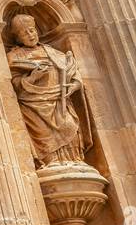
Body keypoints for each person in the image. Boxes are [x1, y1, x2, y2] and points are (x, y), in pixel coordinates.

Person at [6, 13, 88, 166]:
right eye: (25, 33)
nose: (30, 35)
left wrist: (75, 84)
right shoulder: (14, 56)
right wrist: (33, 77)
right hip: (34, 105)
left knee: (69, 125)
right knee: (43, 134)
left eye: (32, 30)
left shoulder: (52, 52)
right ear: (18, 37)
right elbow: (15, 83)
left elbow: (71, 69)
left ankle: (74, 160)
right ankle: (52, 162)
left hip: (59, 98)